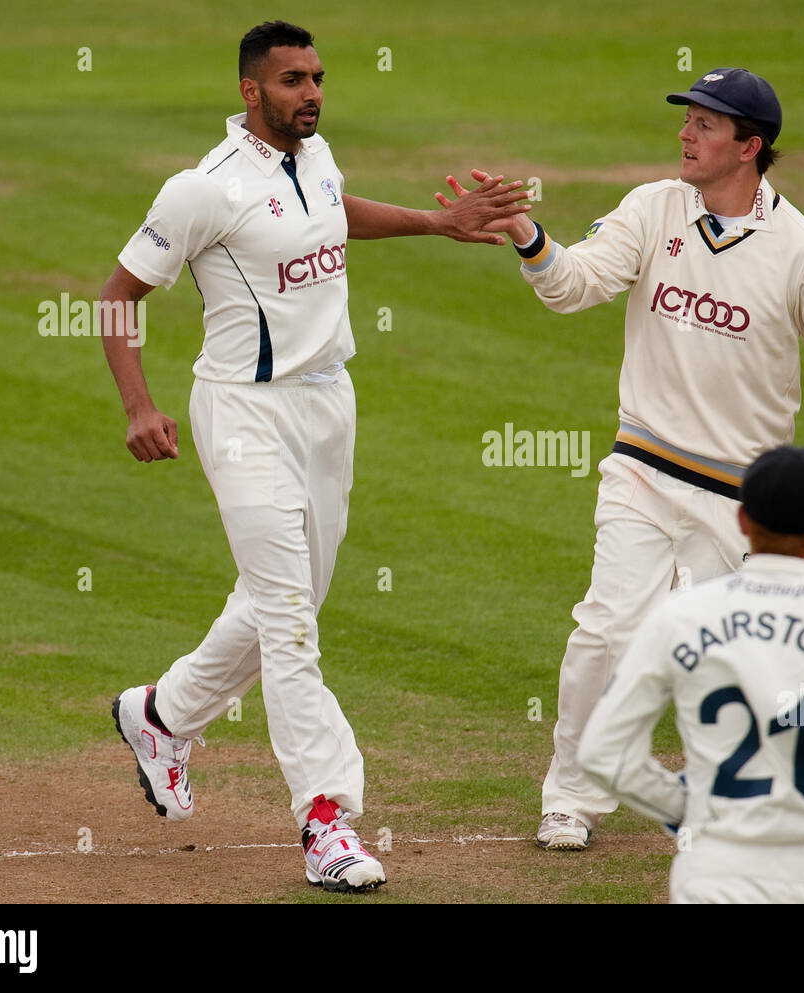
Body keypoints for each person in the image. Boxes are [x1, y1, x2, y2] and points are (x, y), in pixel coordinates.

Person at [99, 20, 530, 893]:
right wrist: (139, 404)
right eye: (294, 80)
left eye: (319, 77)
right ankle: (326, 818)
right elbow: (116, 298)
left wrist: (439, 222)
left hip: (329, 406)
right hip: (242, 413)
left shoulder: (318, 155)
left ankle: (160, 713)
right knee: (292, 623)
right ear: (251, 91)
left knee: (282, 602)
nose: (313, 92)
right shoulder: (200, 190)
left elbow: (336, 214)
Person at [449, 68, 804, 850]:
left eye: (707, 125)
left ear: (751, 146)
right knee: (605, 630)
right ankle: (572, 796)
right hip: (642, 468)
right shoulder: (653, 208)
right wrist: (528, 236)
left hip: (741, 496)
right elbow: (573, 285)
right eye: (687, 120)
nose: (686, 136)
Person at [576, 446, 804, 903]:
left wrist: (685, 807)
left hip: (710, 874)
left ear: (743, 520)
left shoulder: (682, 615)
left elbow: (601, 752)